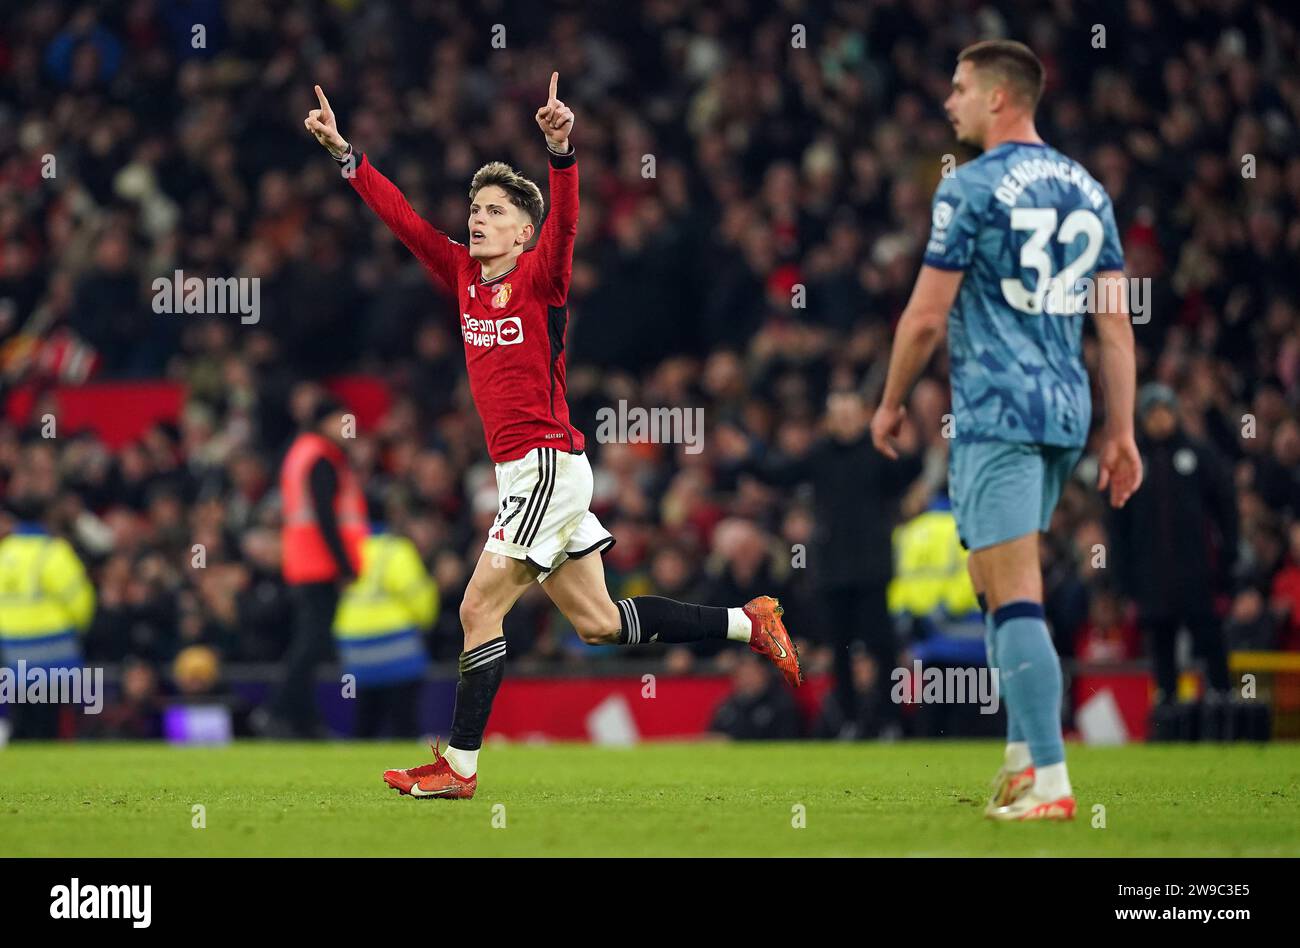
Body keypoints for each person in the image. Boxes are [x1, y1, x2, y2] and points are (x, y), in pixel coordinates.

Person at [305, 73, 801, 800]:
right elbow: (404, 219)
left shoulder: (542, 276)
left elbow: (567, 221)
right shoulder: (463, 276)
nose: (477, 219)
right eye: (474, 208)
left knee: (479, 607)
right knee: (600, 623)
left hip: (544, 465)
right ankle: (747, 623)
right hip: (527, 473)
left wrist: (561, 151)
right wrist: (347, 154)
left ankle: (460, 767)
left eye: (494, 211)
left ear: (522, 232)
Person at [870, 40, 1142, 820]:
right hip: (1066, 411)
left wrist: (890, 402)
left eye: (958, 89)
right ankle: (1023, 766)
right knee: (994, 586)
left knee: (1015, 593)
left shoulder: (973, 188)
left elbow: (925, 318)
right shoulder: (1088, 189)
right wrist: (1120, 431)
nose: (948, 102)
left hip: (998, 411)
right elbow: (1116, 328)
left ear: (998, 98)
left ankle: (1053, 784)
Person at [1110, 383, 1236, 703]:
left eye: (1165, 412)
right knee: (1162, 646)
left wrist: (1227, 558)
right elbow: (1118, 526)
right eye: (1153, 414)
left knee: (1209, 639)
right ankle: (1168, 709)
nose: (1160, 420)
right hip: (1152, 577)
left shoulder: (1199, 454)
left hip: (1197, 573)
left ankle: (1222, 699)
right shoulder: (1131, 462)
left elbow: (1226, 508)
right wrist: (1125, 581)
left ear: (1175, 415)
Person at [267, 395, 367, 738]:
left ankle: (300, 720)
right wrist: (344, 564)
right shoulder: (322, 458)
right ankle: (280, 711)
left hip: (305, 561)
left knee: (311, 644)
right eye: (342, 421)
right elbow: (327, 517)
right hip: (318, 564)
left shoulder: (303, 453)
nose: (347, 429)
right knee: (311, 645)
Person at [332, 510, 438, 738]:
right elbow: (417, 595)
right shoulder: (397, 549)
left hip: (353, 643)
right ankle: (405, 768)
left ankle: (359, 762)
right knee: (404, 720)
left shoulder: (349, 547)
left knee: (366, 717)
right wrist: (427, 621)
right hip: (395, 643)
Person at [0, 497, 95, 739]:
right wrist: (78, 628)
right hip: (54, 651)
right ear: (45, 519)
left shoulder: (4, 553)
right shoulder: (54, 553)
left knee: (20, 716)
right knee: (50, 720)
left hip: (12, 652)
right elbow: (80, 602)